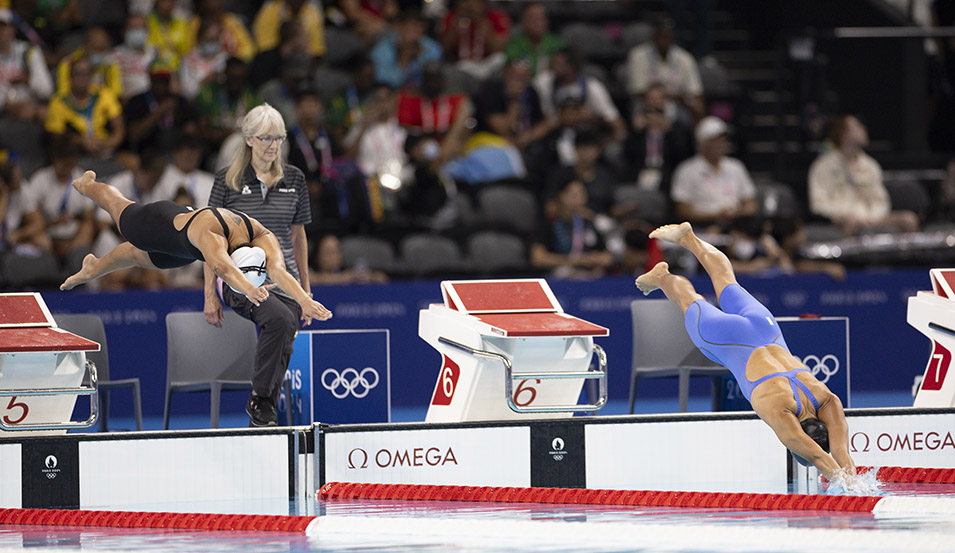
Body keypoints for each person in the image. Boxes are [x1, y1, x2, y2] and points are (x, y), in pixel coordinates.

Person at [634, 221, 861, 489]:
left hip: (765, 327)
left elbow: (841, 452)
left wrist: (853, 481)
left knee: (726, 281)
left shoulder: (826, 400)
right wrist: (848, 488)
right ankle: (662, 276)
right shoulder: (780, 411)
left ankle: (690, 239)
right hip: (727, 339)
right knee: (688, 299)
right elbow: (814, 453)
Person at [59, 170, 331, 326]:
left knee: (135, 256)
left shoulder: (262, 235)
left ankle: (94, 267)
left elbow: (279, 271)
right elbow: (222, 267)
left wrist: (304, 300)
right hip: (161, 223)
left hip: (184, 251)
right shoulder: (212, 234)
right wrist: (249, 289)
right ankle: (88, 185)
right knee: (119, 209)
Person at [203, 103, 315, 428]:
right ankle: (262, 400)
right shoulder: (227, 180)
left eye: (278, 138)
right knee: (280, 319)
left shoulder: (294, 178)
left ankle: (263, 417)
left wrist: (306, 289)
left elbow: (299, 238)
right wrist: (210, 293)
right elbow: (210, 241)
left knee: (286, 326)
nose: (273, 145)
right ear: (249, 139)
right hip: (241, 278)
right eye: (266, 138)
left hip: (286, 279)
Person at [808, 114, 920, 236]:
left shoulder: (870, 165)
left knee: (909, 219)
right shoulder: (823, 166)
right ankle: (848, 254)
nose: (863, 128)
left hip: (871, 217)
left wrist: (870, 217)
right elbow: (818, 204)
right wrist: (847, 213)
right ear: (843, 134)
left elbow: (880, 200)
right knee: (852, 221)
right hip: (841, 219)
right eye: (857, 126)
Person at [670, 116, 756, 229]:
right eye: (716, 140)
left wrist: (735, 214)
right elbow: (683, 210)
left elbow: (751, 205)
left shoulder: (736, 167)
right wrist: (714, 216)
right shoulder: (687, 170)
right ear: (703, 143)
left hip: (735, 226)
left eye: (723, 139)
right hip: (701, 227)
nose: (722, 144)